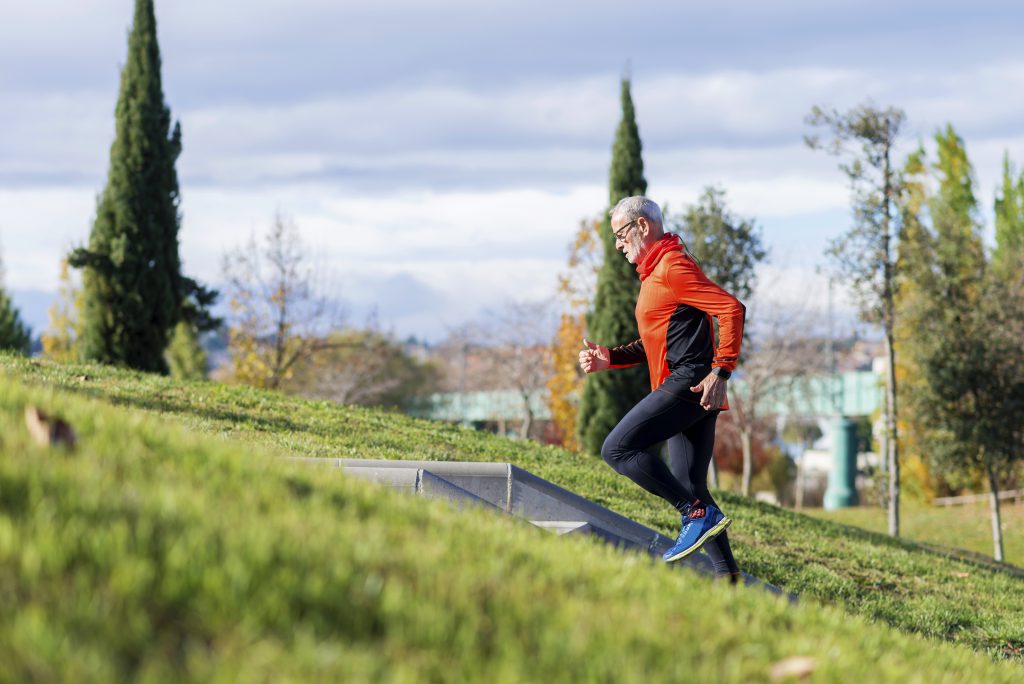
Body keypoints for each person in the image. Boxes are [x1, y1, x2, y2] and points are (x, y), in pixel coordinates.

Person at [578, 195, 744, 583]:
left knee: (617, 449)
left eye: (621, 235)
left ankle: (695, 515)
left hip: (689, 383)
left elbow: (731, 309)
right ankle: (729, 579)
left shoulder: (672, 267)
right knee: (689, 484)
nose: (618, 244)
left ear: (642, 227)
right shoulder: (655, 273)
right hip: (690, 385)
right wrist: (611, 358)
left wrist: (722, 371)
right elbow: (657, 340)